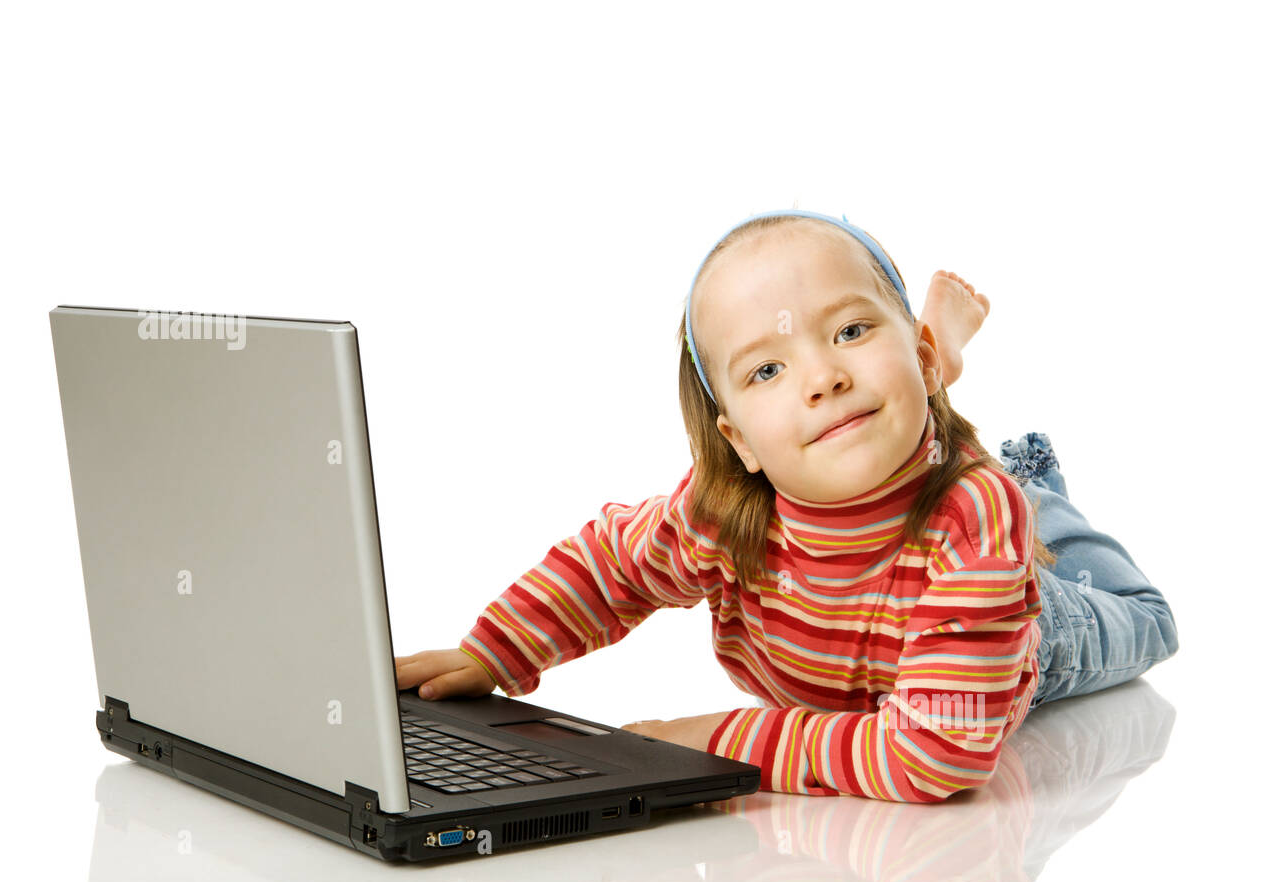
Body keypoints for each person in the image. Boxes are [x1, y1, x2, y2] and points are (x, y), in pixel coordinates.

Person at [395, 209, 1179, 802]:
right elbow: (610, 566)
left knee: (1143, 615)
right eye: (767, 369)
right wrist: (495, 651)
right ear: (738, 440)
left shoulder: (975, 522)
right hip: (909, 476)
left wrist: (721, 742)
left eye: (850, 329)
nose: (820, 377)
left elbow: (937, 753)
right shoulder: (724, 507)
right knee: (904, 418)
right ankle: (930, 357)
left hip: (1014, 642)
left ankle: (1030, 476)